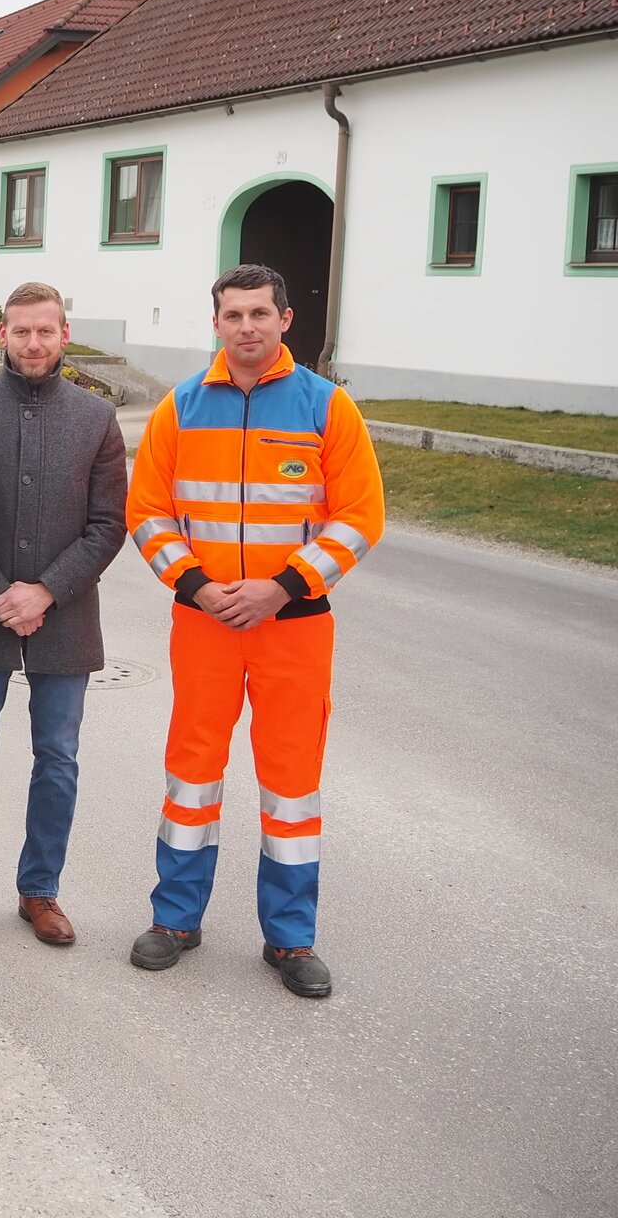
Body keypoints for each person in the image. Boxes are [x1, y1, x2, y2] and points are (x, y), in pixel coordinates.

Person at [126, 264, 384, 998]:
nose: (246, 327)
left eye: (259, 314)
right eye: (232, 315)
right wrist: (201, 588)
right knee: (192, 772)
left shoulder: (327, 407)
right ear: (215, 323)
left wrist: (281, 587)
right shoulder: (180, 407)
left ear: (285, 320)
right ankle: (176, 919)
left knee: (292, 784)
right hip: (203, 623)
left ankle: (291, 938)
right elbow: (147, 513)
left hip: (294, 627)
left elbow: (360, 518)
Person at [0, 283, 127, 945]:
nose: (33, 343)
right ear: (2, 334)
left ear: (64, 333)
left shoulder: (95, 419)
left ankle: (40, 890)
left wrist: (45, 590)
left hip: (67, 616)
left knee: (58, 758)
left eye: (45, 331)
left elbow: (108, 526)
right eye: (21, 331)